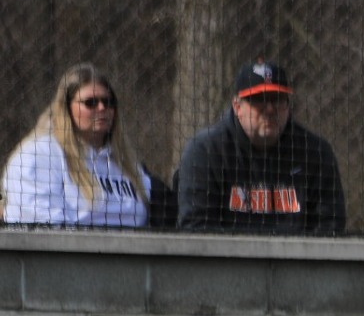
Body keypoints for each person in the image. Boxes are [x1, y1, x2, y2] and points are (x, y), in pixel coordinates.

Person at [176, 58, 346, 234]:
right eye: (259, 99)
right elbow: (197, 228)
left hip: (295, 251)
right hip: (227, 252)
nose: (270, 109)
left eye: (277, 99)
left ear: (288, 105)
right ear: (237, 107)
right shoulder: (206, 152)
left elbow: (330, 226)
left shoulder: (315, 153)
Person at [2, 64, 171, 229]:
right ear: (66, 108)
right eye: (91, 102)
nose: (102, 108)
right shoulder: (39, 155)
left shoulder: (126, 163)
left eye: (108, 102)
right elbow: (43, 228)